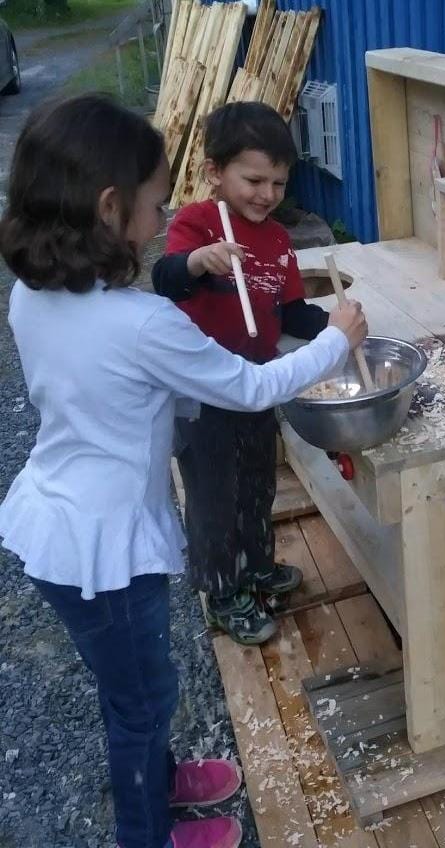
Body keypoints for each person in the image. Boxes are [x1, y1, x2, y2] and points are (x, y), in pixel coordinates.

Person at [0, 94, 366, 848]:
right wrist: (338, 338)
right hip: (101, 549)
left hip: (57, 515)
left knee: (130, 686)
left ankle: (163, 782)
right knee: (142, 700)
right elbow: (252, 385)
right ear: (111, 206)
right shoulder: (141, 322)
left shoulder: (32, 294)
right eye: (156, 198)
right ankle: (148, 833)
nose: (165, 210)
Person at [152, 102, 331, 646]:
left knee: (257, 483)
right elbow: (165, 280)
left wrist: (337, 328)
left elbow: (291, 311)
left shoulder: (277, 240)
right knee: (213, 493)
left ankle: (258, 568)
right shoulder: (197, 224)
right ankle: (222, 590)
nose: (266, 194)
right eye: (253, 179)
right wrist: (198, 263)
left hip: (257, 381)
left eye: (277, 182)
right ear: (215, 172)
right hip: (203, 392)